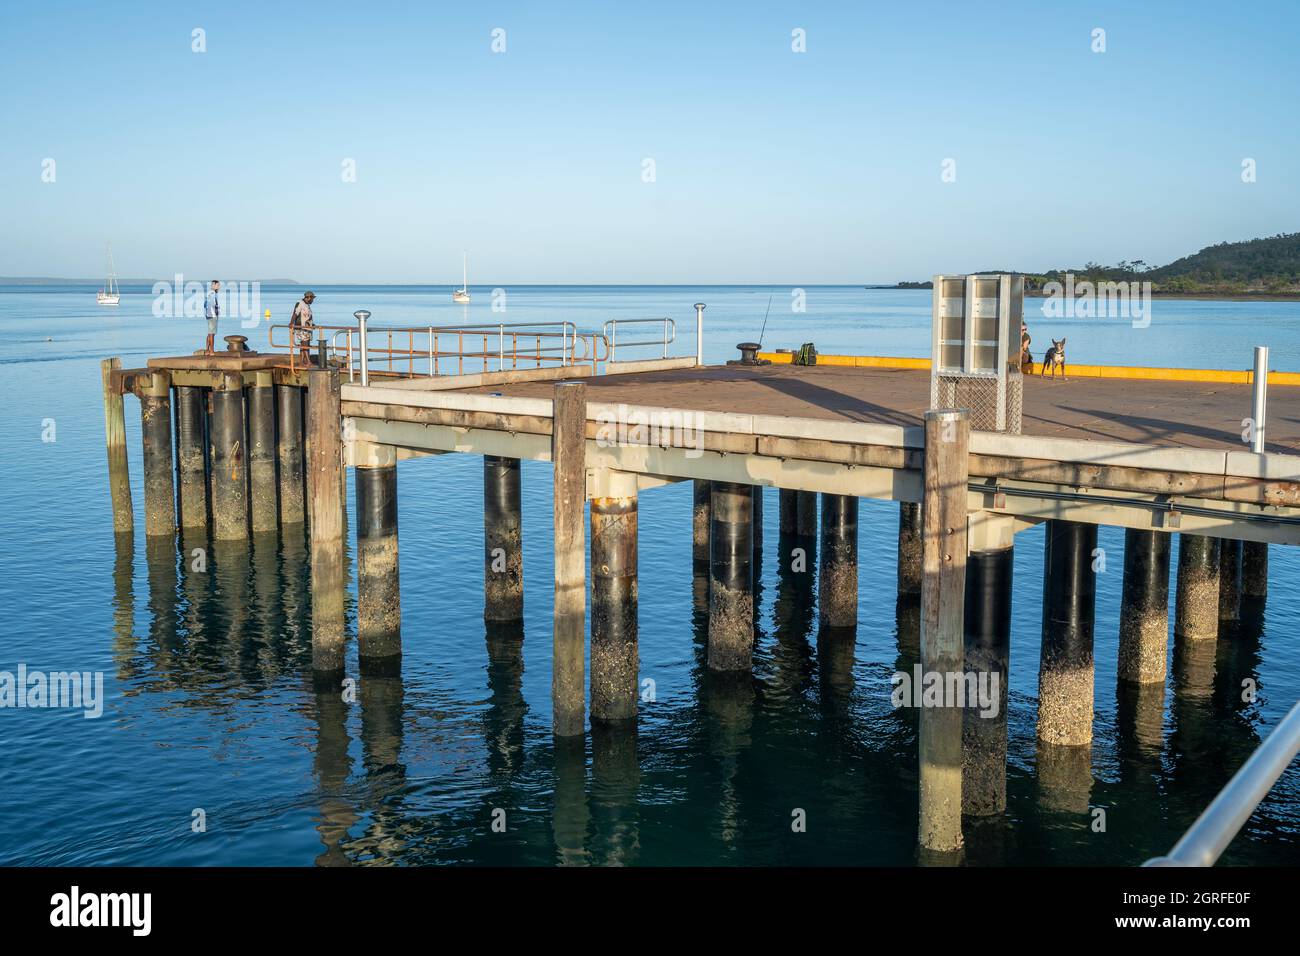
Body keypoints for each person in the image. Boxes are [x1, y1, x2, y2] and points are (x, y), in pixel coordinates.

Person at [290, 291, 317, 366]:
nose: (313, 301)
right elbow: (295, 313)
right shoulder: (300, 303)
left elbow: (307, 317)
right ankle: (308, 361)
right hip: (301, 327)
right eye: (312, 299)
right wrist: (291, 323)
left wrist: (312, 324)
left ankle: (302, 361)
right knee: (305, 344)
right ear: (308, 298)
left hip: (307, 327)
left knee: (304, 344)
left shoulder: (307, 305)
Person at [204, 280, 220, 355]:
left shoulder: (209, 293)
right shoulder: (213, 293)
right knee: (212, 333)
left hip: (208, 315)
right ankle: (211, 351)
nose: (218, 287)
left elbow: (205, 305)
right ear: (213, 285)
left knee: (210, 333)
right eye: (217, 285)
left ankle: (207, 350)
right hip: (212, 316)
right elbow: (211, 305)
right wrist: (214, 314)